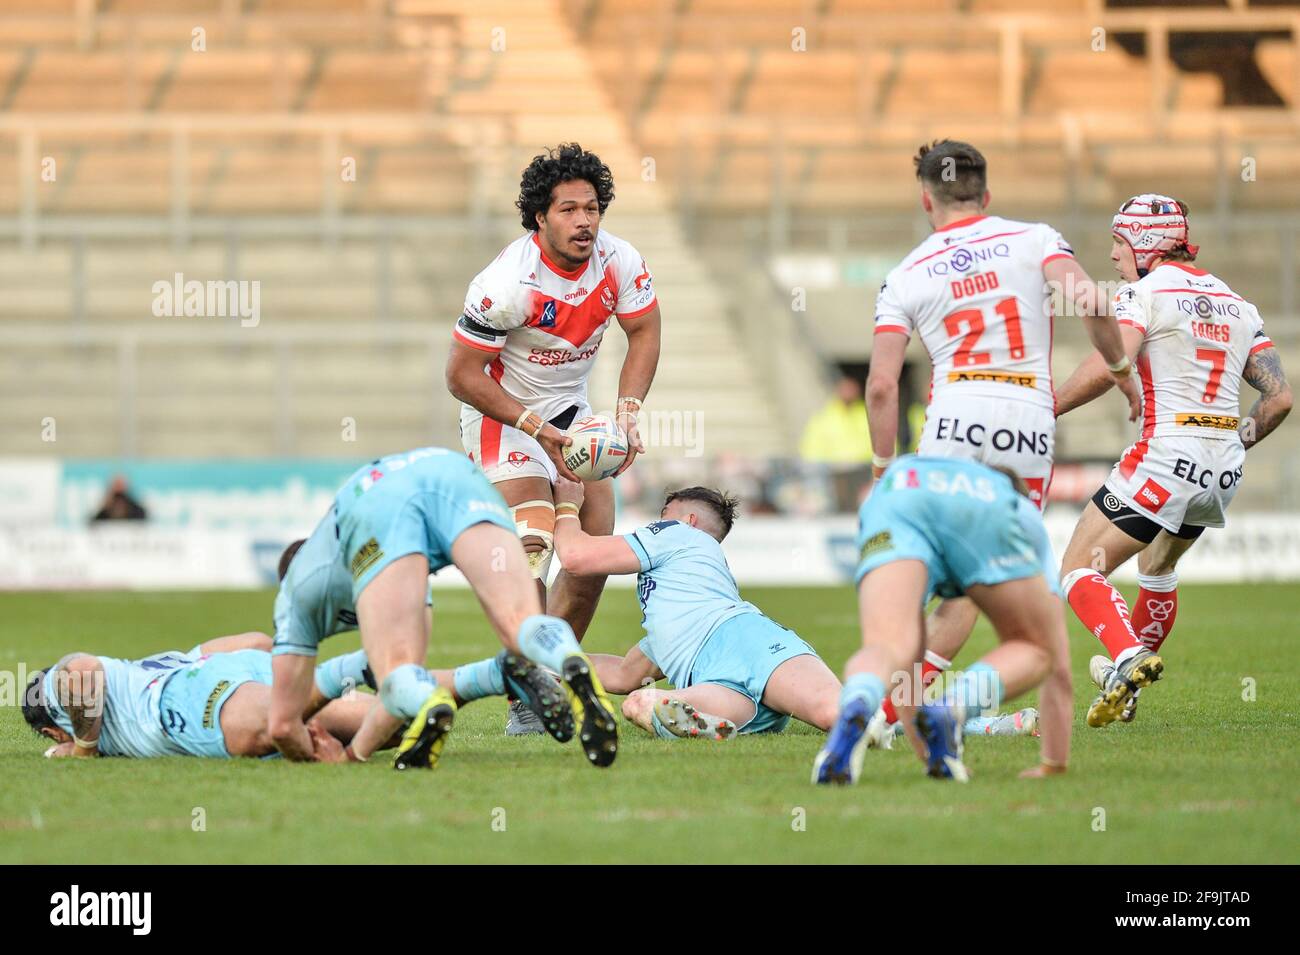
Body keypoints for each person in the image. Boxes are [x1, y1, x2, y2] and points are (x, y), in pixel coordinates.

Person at [861, 138, 1139, 743]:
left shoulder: (907, 272)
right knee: (985, 581)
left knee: (919, 578)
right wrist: (1122, 374)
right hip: (1026, 426)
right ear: (985, 195)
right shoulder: (1034, 239)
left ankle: (888, 709)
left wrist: (884, 469)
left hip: (950, 423)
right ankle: (937, 712)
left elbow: (883, 387)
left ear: (925, 200)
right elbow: (1090, 298)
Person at [444, 143, 661, 734]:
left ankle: (551, 671)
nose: (584, 221)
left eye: (592, 208)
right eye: (568, 209)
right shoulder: (506, 282)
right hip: (502, 413)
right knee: (534, 539)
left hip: (571, 413)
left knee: (591, 556)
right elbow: (461, 376)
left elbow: (643, 330)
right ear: (540, 217)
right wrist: (539, 432)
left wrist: (627, 414)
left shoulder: (619, 260)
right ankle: (527, 696)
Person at [1054, 194, 1292, 726]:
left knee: (1077, 569)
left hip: (1165, 456)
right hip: (1223, 467)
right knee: (1157, 567)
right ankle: (1127, 687)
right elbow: (1280, 398)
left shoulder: (1144, 292)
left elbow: (1108, 363)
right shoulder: (1239, 303)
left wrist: (1046, 406)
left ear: (1142, 244)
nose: (1114, 257)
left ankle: (1128, 655)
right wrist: (1232, 443)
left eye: (1119, 243)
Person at [269, 446, 618, 770]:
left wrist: (340, 755)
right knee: (520, 622)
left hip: (376, 504)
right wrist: (357, 750)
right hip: (454, 475)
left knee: (399, 671)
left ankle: (430, 702)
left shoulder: (293, 598)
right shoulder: (377, 570)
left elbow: (283, 726)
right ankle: (567, 658)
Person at [813, 456, 1072, 784]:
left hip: (895, 495)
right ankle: (954, 707)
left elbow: (907, 668)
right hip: (980, 510)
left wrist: (931, 757)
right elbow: (1057, 657)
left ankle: (858, 700)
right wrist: (1055, 762)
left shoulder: (935, 477)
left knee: (891, 647)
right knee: (1036, 647)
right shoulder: (1017, 509)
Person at [551, 480, 843, 739]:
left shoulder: (676, 533)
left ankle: (885, 716)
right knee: (639, 703)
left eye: (663, 515)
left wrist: (566, 505)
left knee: (836, 713)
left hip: (742, 642)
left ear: (687, 520)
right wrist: (545, 661)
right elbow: (624, 675)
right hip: (715, 680)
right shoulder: (679, 616)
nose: (656, 524)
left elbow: (576, 557)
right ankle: (706, 726)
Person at [22, 632, 374, 761]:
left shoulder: (51, 692)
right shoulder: (149, 665)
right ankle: (404, 680)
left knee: (274, 726)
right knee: (392, 721)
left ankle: (357, 664)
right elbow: (257, 642)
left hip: (183, 701)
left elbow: (81, 672)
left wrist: (83, 750)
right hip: (229, 669)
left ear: (52, 732)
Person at [798, 372, 873, 511]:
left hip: (862, 472)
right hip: (831, 474)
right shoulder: (824, 417)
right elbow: (811, 447)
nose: (848, 393)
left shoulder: (867, 415)